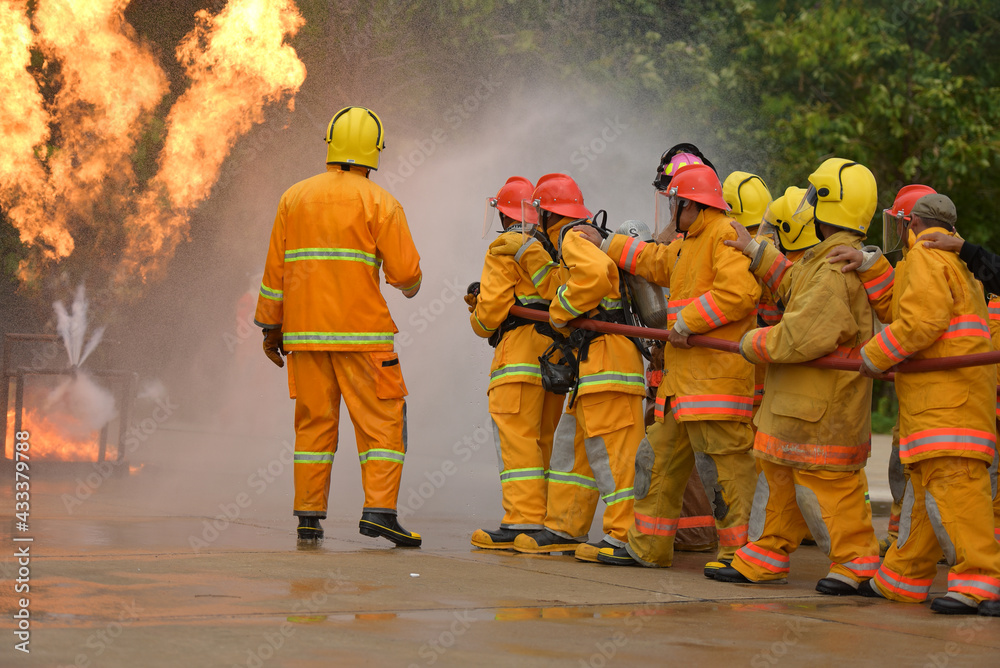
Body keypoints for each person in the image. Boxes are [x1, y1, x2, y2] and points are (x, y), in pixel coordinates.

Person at [578, 163, 762, 573]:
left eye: (677, 202)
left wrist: (687, 322)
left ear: (692, 204)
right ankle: (647, 548)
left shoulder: (725, 234)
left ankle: (739, 556)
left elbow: (739, 294)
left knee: (726, 474)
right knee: (655, 463)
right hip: (682, 389)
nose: (673, 209)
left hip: (714, 387)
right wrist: (604, 240)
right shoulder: (692, 241)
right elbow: (653, 260)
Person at [254, 106, 423, 546]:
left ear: (330, 144)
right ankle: (380, 513)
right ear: (375, 150)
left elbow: (276, 272)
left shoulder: (294, 197)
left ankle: (308, 519)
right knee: (384, 425)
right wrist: (411, 287)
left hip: (306, 339)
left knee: (313, 427)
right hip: (364, 339)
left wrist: (272, 328)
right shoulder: (380, 202)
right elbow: (405, 274)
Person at [712, 158, 881, 594]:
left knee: (831, 488)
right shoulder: (825, 260)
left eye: (813, 196)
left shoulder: (832, 271)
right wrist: (755, 251)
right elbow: (792, 284)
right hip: (800, 409)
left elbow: (801, 335)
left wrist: (751, 344)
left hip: (821, 411)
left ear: (827, 205)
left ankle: (856, 564)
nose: (807, 204)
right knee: (781, 480)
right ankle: (766, 554)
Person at [855, 194, 1000, 615]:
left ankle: (982, 583)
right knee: (926, 497)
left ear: (910, 222)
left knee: (957, 492)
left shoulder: (924, 257)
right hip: (953, 399)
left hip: (943, 403)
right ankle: (902, 577)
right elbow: (909, 306)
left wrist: (872, 355)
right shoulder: (958, 263)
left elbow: (921, 322)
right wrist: (871, 265)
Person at [489, 173, 647, 561]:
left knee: (615, 457)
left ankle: (625, 535)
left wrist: (560, 313)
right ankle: (563, 528)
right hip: (593, 364)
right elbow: (563, 281)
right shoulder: (567, 240)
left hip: (611, 363)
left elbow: (593, 277)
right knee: (572, 453)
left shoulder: (573, 236)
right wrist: (533, 257)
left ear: (544, 214)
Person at [467, 176, 566, 549]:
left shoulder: (504, 248)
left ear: (505, 216)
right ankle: (546, 523)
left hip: (517, 361)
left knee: (517, 443)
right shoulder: (553, 246)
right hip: (555, 361)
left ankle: (520, 522)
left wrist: (475, 312)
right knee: (543, 442)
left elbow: (489, 317)